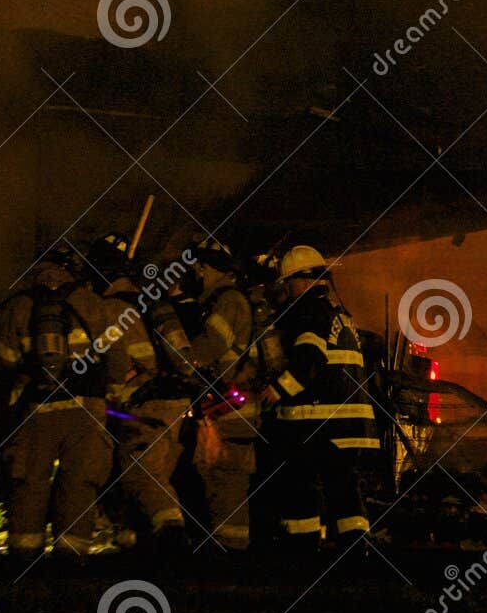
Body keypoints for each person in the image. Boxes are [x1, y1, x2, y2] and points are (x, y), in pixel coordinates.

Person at [0, 247, 114, 559]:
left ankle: (24, 551)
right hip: (86, 407)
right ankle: (71, 554)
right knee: (79, 480)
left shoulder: (19, 305)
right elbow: (117, 354)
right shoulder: (91, 302)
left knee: (30, 480)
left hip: (38, 409)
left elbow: (5, 359)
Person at [87, 232, 195, 552]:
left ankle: (172, 537)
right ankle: (150, 545)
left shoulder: (109, 308)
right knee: (158, 472)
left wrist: (111, 398)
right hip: (176, 402)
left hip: (145, 404)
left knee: (140, 472)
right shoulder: (154, 303)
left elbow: (112, 362)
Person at [264, 245, 379, 547]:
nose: (287, 292)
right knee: (344, 491)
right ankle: (356, 550)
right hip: (351, 425)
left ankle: (301, 551)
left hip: (320, 424)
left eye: (288, 284)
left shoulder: (308, 313)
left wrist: (277, 390)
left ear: (301, 281)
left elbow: (309, 361)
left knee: (300, 485)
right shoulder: (341, 317)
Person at [183, 237, 259, 551]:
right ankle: (225, 549)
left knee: (226, 483)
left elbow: (207, 348)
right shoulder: (224, 300)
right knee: (219, 481)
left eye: (200, 266)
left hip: (230, 411)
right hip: (226, 409)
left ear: (211, 268)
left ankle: (230, 555)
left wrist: (177, 360)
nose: (196, 272)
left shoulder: (227, 301)